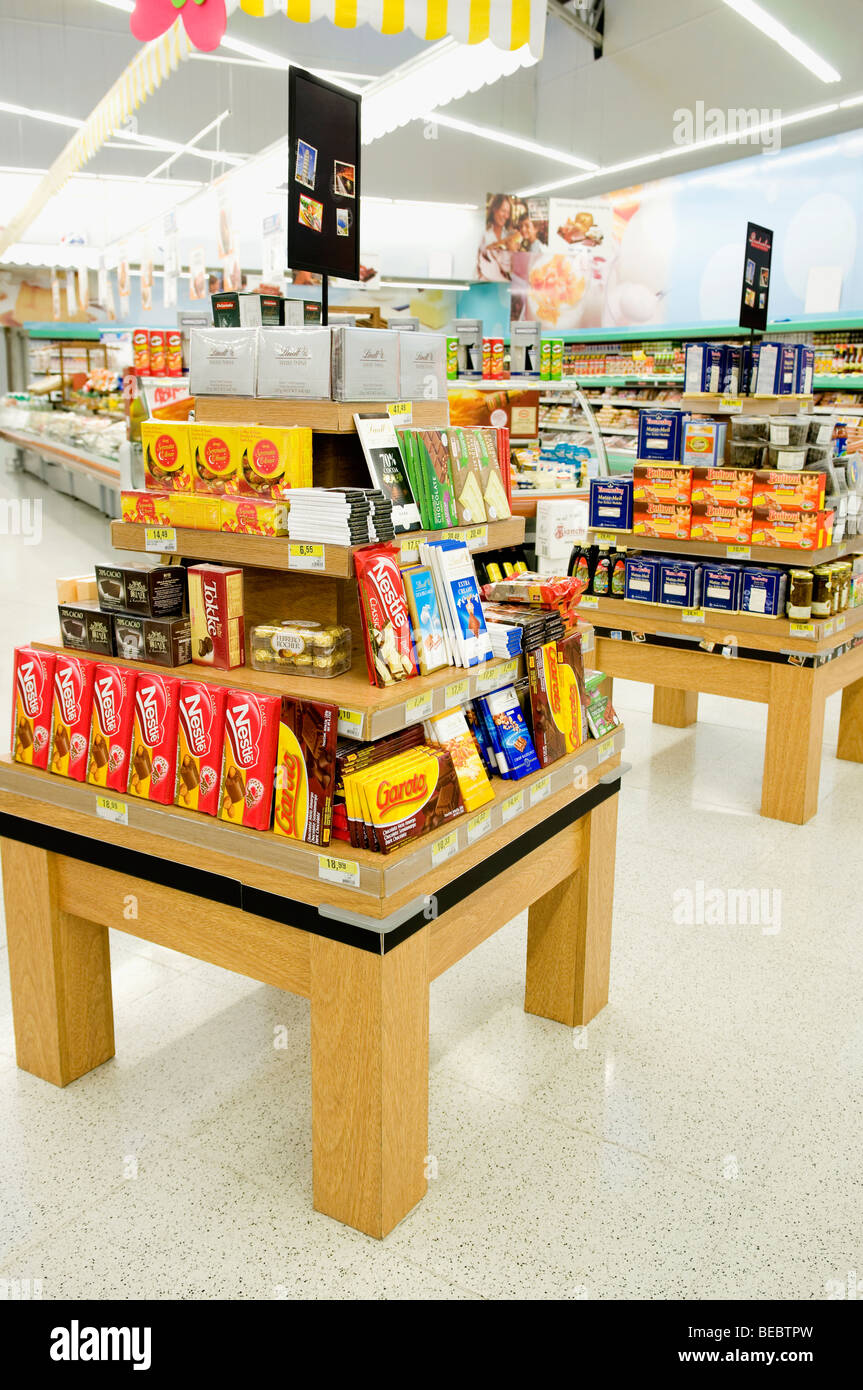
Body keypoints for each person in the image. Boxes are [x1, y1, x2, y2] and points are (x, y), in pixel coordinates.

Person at [477, 195, 517, 281]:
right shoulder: (484, 235)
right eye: (503, 211)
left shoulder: (510, 235)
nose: (506, 216)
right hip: (487, 283)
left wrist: (514, 251)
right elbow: (477, 265)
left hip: (506, 284)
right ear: (494, 209)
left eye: (508, 213)